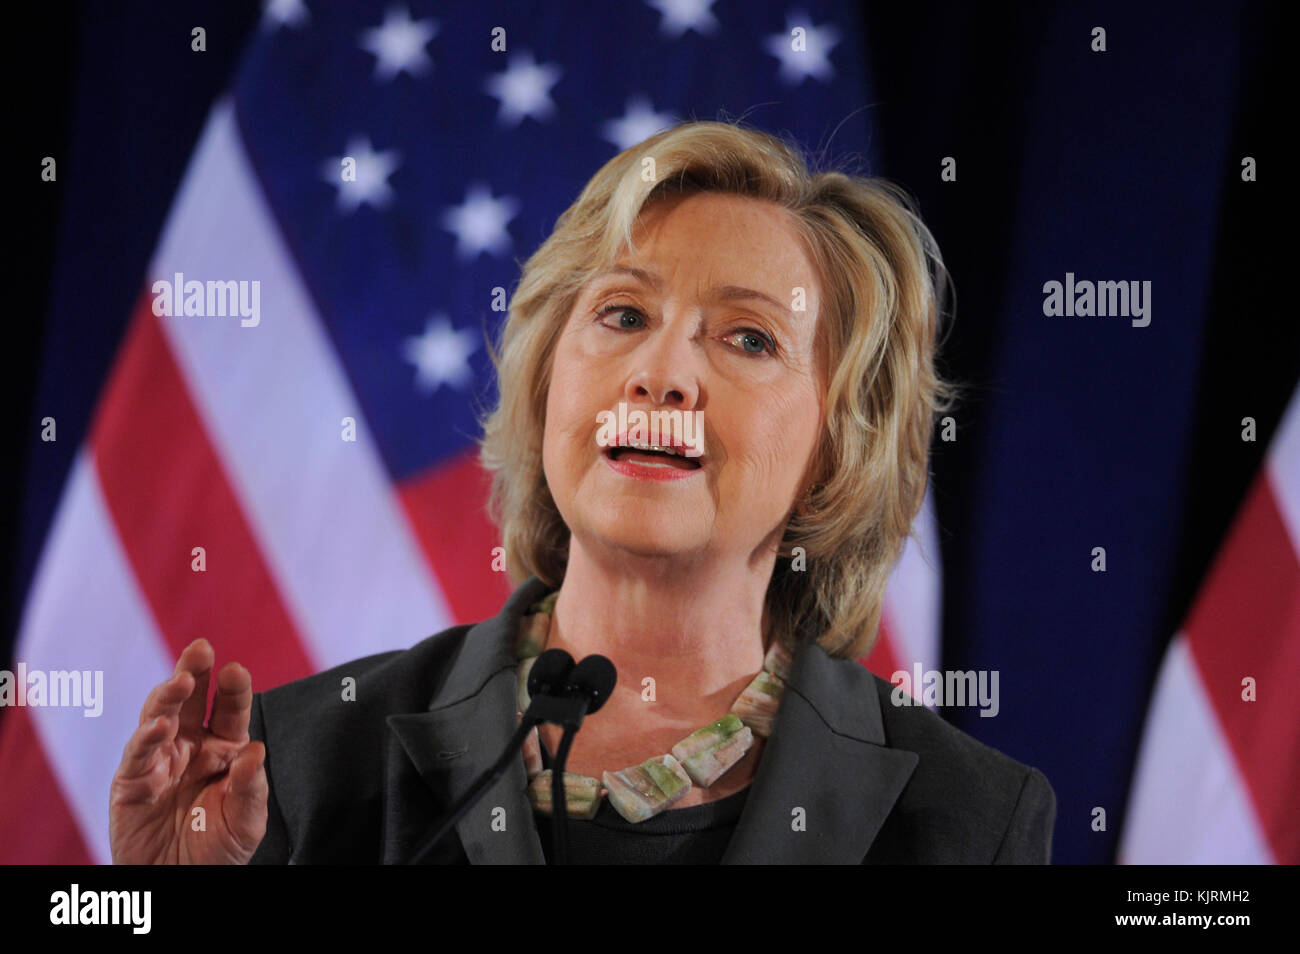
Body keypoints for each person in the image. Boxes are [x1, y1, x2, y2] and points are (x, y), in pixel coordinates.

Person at [109, 120, 1056, 864]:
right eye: (623, 313)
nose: (660, 372)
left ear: (836, 447)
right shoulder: (304, 761)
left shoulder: (969, 819)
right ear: (546, 381)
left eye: (748, 337)